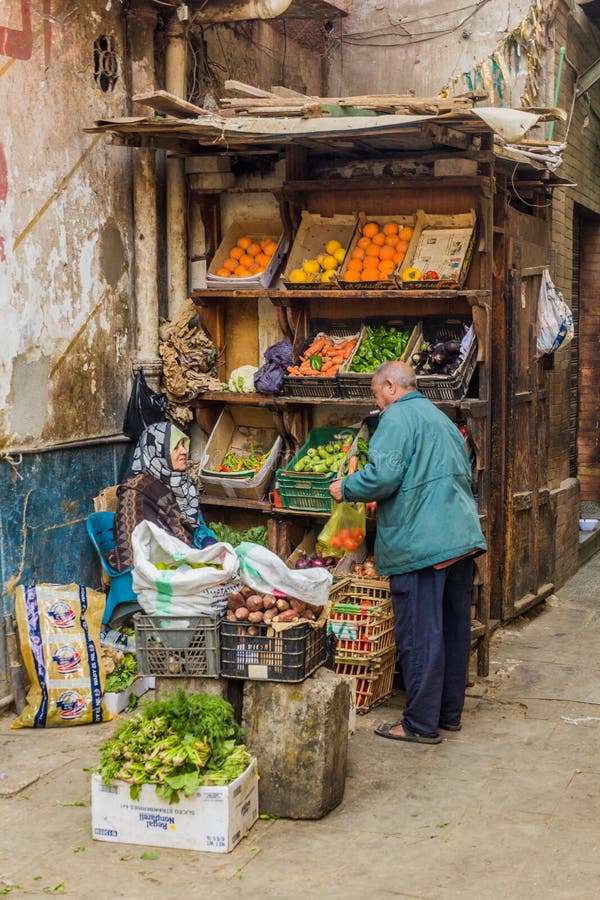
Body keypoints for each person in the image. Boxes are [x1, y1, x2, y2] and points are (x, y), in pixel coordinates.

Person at [328, 361, 487, 745]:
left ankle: (418, 724)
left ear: (390, 387)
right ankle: (447, 715)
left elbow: (383, 477)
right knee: (451, 631)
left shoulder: (397, 418)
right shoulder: (440, 419)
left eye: (375, 392)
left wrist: (346, 487)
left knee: (419, 634)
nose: (376, 400)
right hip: (459, 539)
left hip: (422, 545)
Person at [110, 421, 216, 573]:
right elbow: (132, 547)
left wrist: (207, 541)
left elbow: (196, 525)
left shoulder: (181, 484)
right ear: (158, 451)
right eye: (175, 447)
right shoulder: (136, 491)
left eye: (183, 445)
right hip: (157, 569)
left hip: (182, 558)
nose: (184, 451)